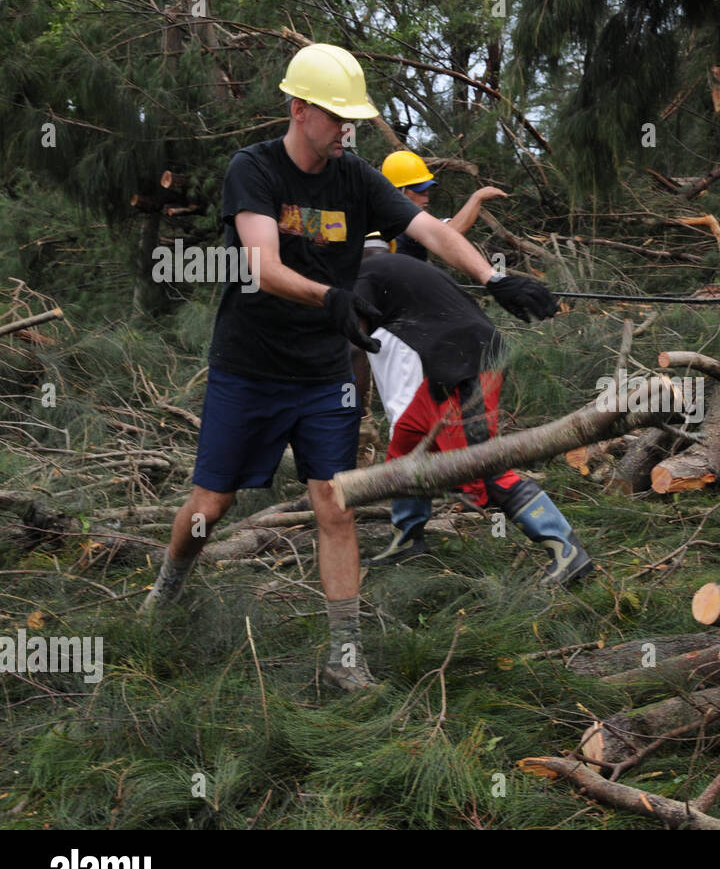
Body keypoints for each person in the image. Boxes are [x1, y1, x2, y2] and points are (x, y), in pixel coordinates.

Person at [139, 43, 559, 694]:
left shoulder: (357, 177)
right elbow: (260, 265)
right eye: (336, 117)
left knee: (333, 506)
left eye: (352, 118)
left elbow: (429, 230)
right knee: (210, 505)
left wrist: (493, 276)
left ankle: (344, 657)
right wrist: (330, 295)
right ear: (299, 108)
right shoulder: (253, 171)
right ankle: (167, 589)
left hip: (321, 374)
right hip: (249, 367)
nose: (345, 129)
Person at [353, 238, 594, 585]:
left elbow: (353, 348)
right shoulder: (397, 265)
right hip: (448, 364)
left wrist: (354, 412)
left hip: (466, 367)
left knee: (481, 466)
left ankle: (566, 549)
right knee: (406, 446)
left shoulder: (360, 278)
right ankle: (408, 538)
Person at [379, 150, 509, 261]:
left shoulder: (394, 217)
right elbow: (451, 233)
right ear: (398, 192)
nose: (426, 197)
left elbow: (446, 227)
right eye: (419, 190)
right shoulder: (399, 223)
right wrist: (477, 197)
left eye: (427, 190)